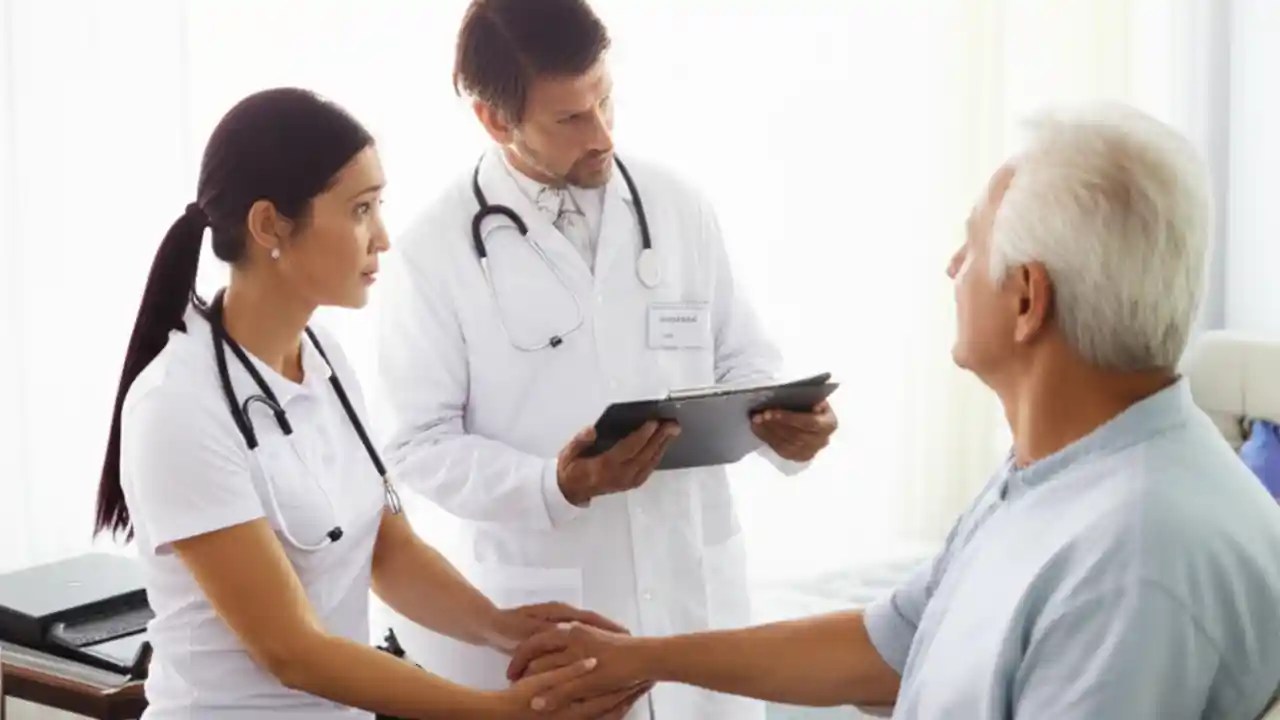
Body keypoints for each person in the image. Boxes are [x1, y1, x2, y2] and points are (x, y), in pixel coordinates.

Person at [504, 104, 1280, 719]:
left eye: (970, 245)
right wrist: (646, 658)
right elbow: (893, 642)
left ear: (1026, 298)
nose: (951, 266)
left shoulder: (1135, 562)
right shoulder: (1063, 468)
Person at [94, 87, 641, 720]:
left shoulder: (322, 357)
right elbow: (291, 650)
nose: (382, 237)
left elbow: (381, 545)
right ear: (270, 225)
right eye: (360, 210)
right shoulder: (178, 408)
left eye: (379, 206)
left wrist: (504, 629)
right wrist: (503, 711)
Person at [377, 0, 837, 717]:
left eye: (606, 100)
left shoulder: (677, 205)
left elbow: (745, 358)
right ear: (495, 121)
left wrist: (782, 424)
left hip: (696, 601)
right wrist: (553, 485)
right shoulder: (433, 250)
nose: (603, 136)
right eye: (570, 118)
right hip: (557, 616)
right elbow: (417, 444)